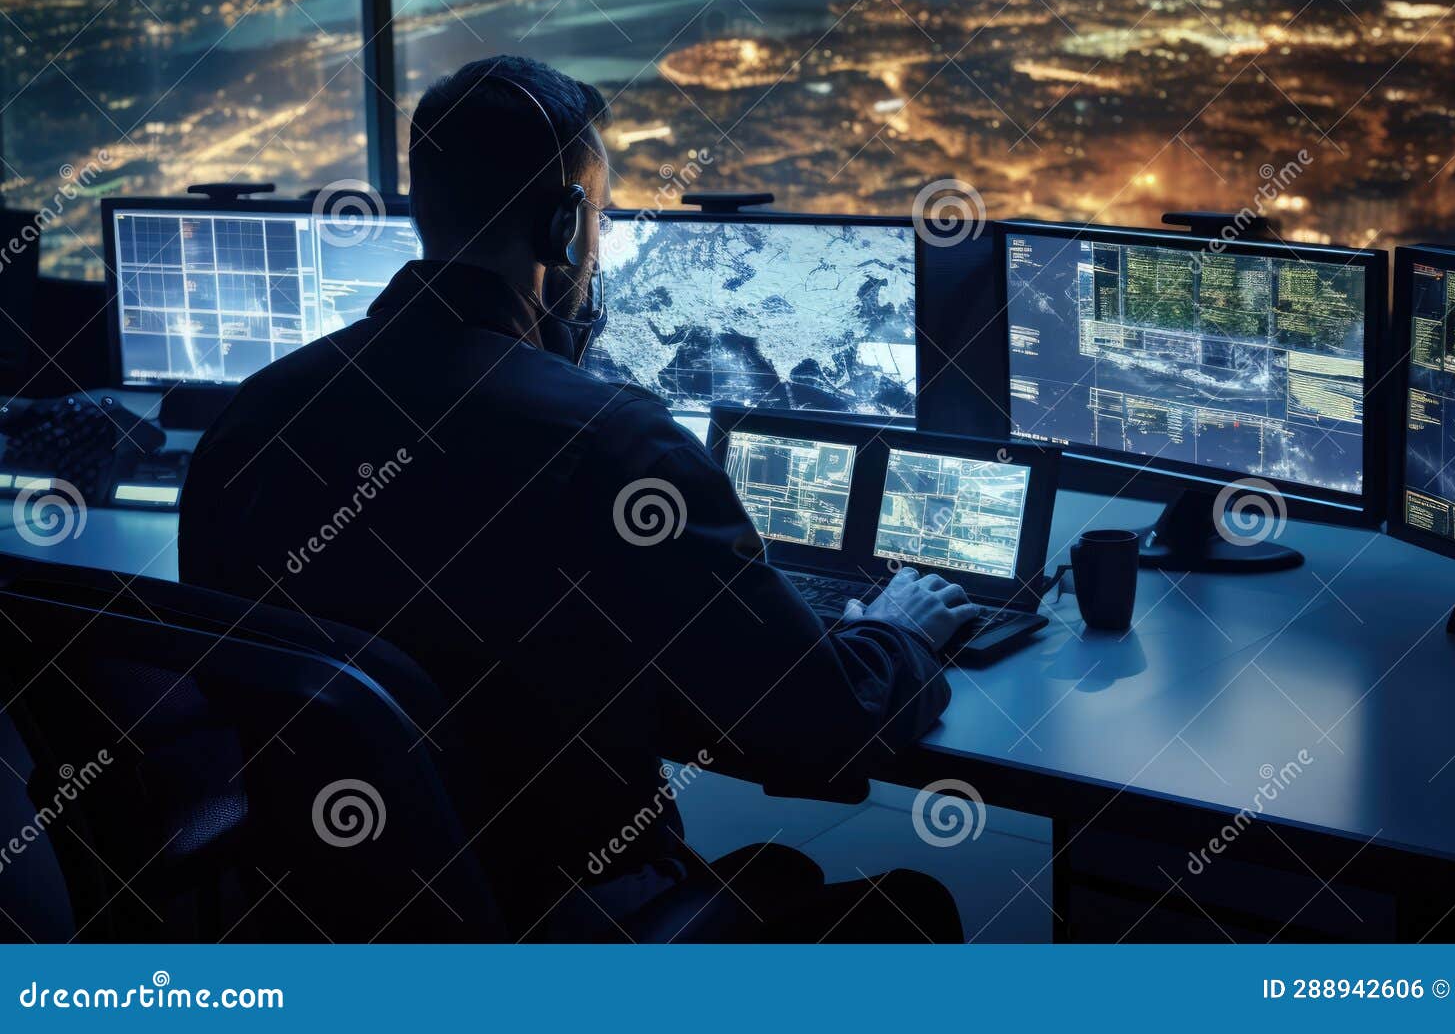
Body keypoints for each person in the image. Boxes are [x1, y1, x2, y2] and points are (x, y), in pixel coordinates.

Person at [179, 55, 978, 942]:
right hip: (557, 920)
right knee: (911, 908)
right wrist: (901, 630)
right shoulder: (609, 442)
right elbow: (819, 724)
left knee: (775, 874)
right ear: (564, 228)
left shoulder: (250, 423)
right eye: (597, 220)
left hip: (335, 925)